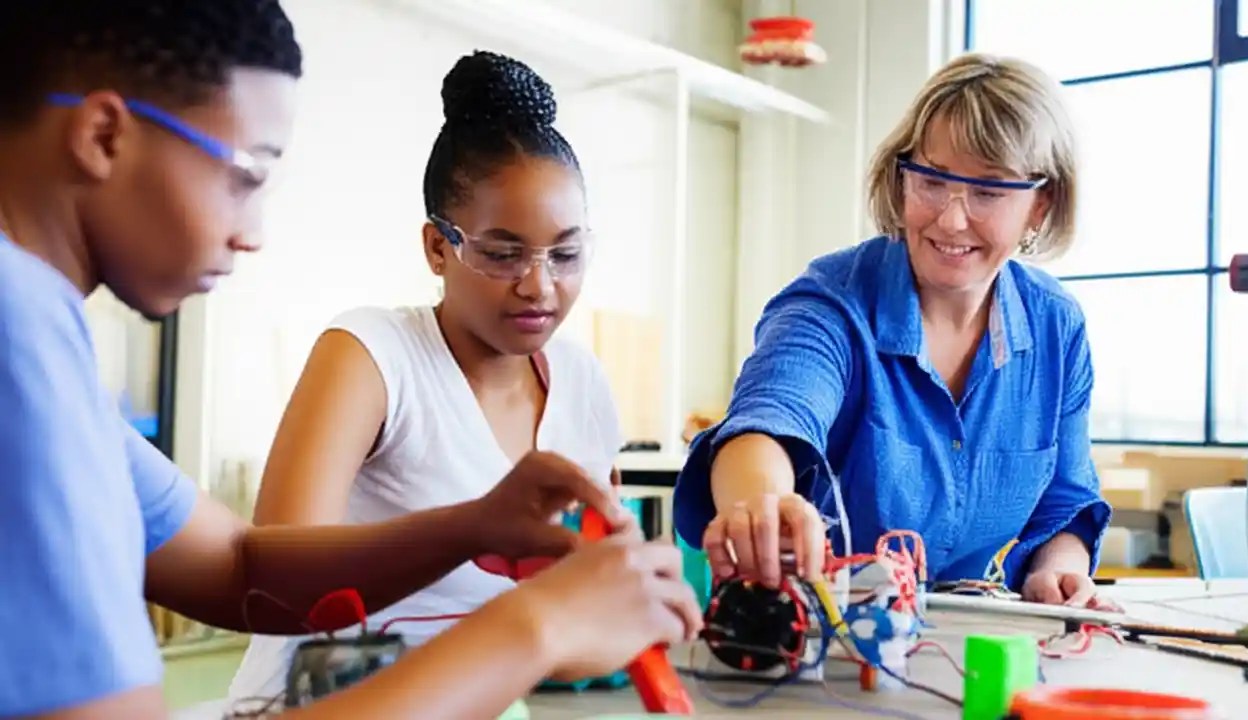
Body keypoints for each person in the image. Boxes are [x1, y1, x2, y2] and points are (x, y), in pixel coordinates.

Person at [0, 3, 700, 719]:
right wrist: (539, 624)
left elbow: (241, 569)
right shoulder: (16, 341)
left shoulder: (49, 348)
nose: (254, 232)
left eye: (566, 252)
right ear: (102, 135)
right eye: (246, 176)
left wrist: (475, 524)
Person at [229, 49, 626, 699]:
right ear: (438, 247)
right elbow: (279, 588)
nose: (540, 285)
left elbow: (597, 603)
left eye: (567, 253)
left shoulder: (583, 385)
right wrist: (538, 627)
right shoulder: (371, 356)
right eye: (503, 254)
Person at [671, 52, 1112, 607]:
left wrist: (1059, 568)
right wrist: (759, 503)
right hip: (828, 637)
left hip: (971, 643)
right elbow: (771, 416)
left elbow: (1066, 503)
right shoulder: (833, 302)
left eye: (989, 192)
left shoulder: (1057, 327)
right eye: (931, 180)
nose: (951, 219)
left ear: (1040, 205)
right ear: (900, 175)